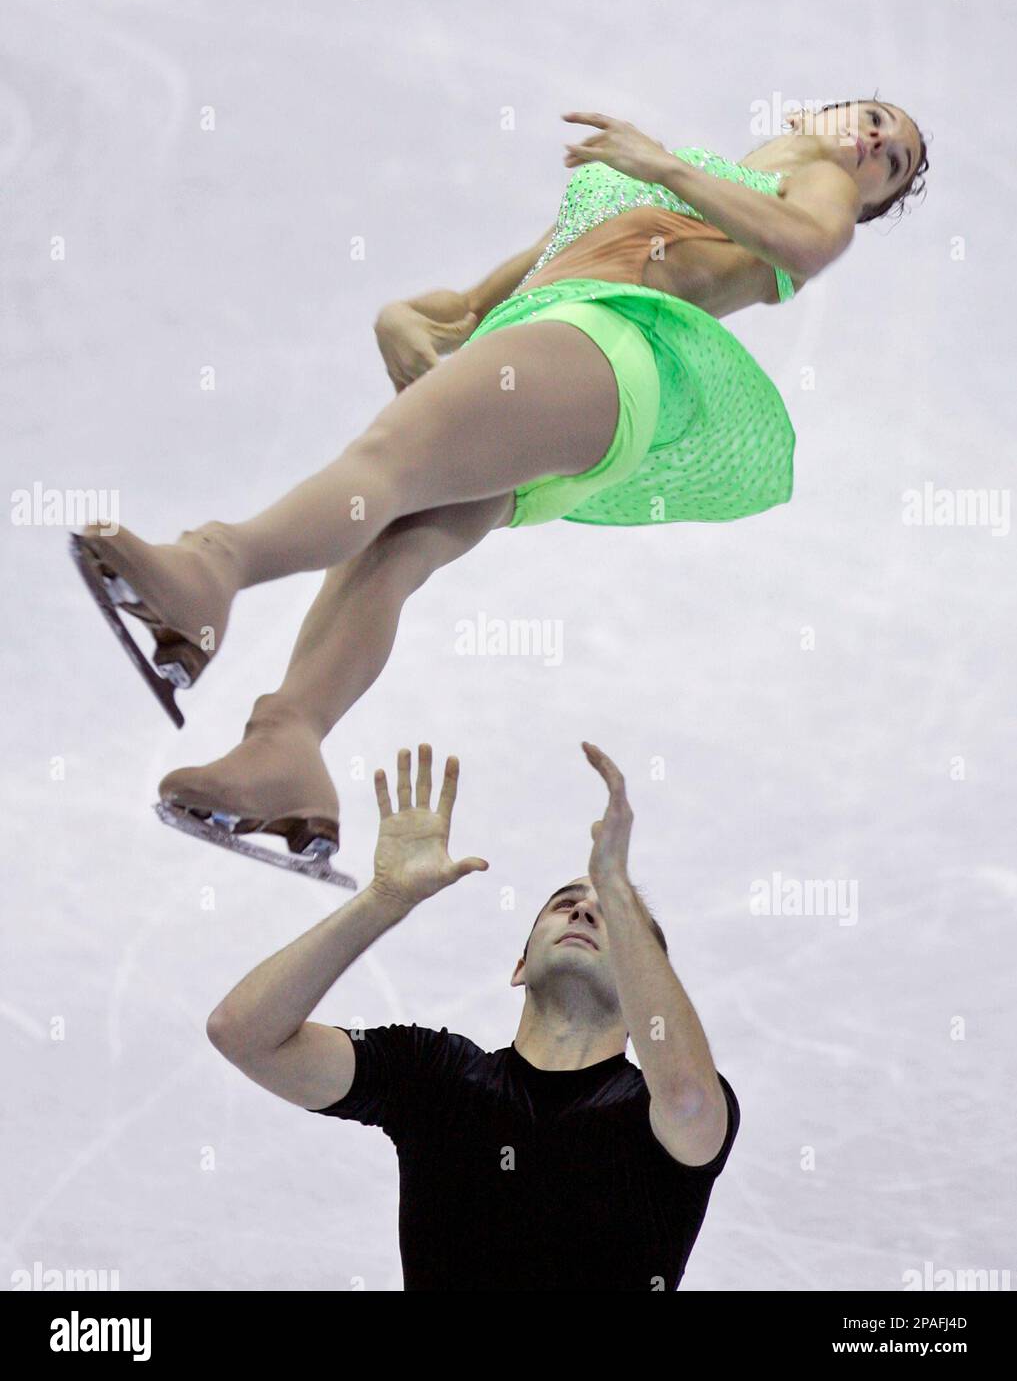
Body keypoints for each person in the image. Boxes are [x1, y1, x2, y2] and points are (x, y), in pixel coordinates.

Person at [71, 99, 929, 871]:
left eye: (891, 160)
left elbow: (808, 245)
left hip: (603, 347)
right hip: (562, 370)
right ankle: (282, 752)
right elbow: (482, 300)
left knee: (381, 467)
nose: (874, 142)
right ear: (810, 111)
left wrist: (662, 163)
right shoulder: (663, 179)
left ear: (868, 199)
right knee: (386, 553)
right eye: (872, 118)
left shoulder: (805, 186)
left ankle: (207, 571)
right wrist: (403, 317)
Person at [206, 741, 739, 1291]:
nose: (584, 907)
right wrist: (385, 898)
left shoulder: (657, 1112)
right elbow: (244, 1034)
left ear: (640, 992)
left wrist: (620, 890)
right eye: (565, 903)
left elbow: (688, 1098)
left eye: (612, 919)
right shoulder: (436, 1075)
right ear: (519, 967)